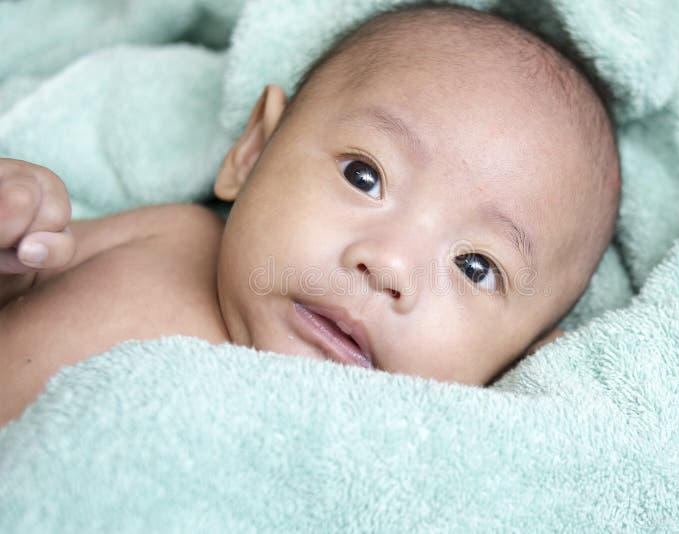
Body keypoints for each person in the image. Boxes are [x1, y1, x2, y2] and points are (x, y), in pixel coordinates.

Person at [0, 2, 620, 425]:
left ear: (521, 362)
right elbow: (21, 280)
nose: (388, 264)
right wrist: (13, 239)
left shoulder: (393, 456)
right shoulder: (166, 237)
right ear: (253, 152)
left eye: (477, 266)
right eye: (365, 175)